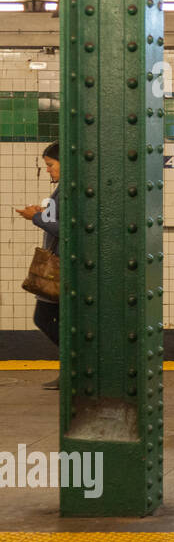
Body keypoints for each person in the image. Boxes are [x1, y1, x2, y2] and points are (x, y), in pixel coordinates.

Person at [15, 143, 59, 389]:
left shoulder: (65, 192)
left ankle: (75, 366)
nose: (49, 171)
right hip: (58, 266)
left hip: (58, 269)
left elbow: (65, 227)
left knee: (43, 317)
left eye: (51, 165)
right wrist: (41, 213)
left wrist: (35, 217)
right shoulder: (62, 191)